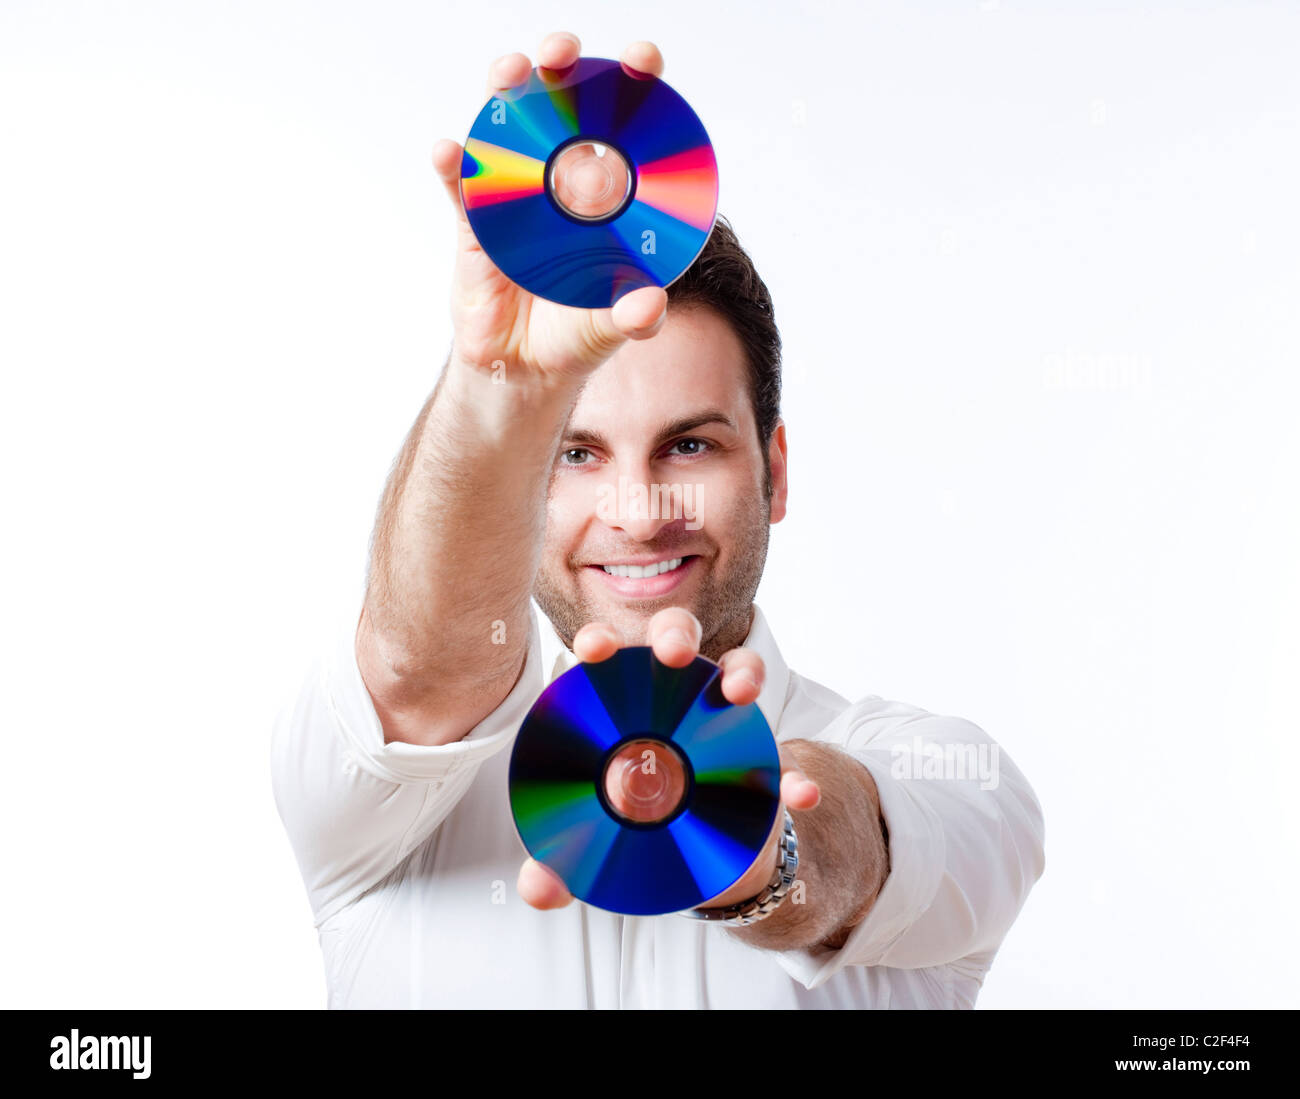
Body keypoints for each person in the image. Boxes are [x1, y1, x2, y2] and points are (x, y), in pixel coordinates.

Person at [270, 30, 1046, 1010]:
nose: (637, 516)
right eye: (574, 453)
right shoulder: (381, 798)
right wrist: (499, 387)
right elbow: (424, 669)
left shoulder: (952, 777)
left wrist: (745, 830)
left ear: (773, 471)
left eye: (688, 446)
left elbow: (850, 849)